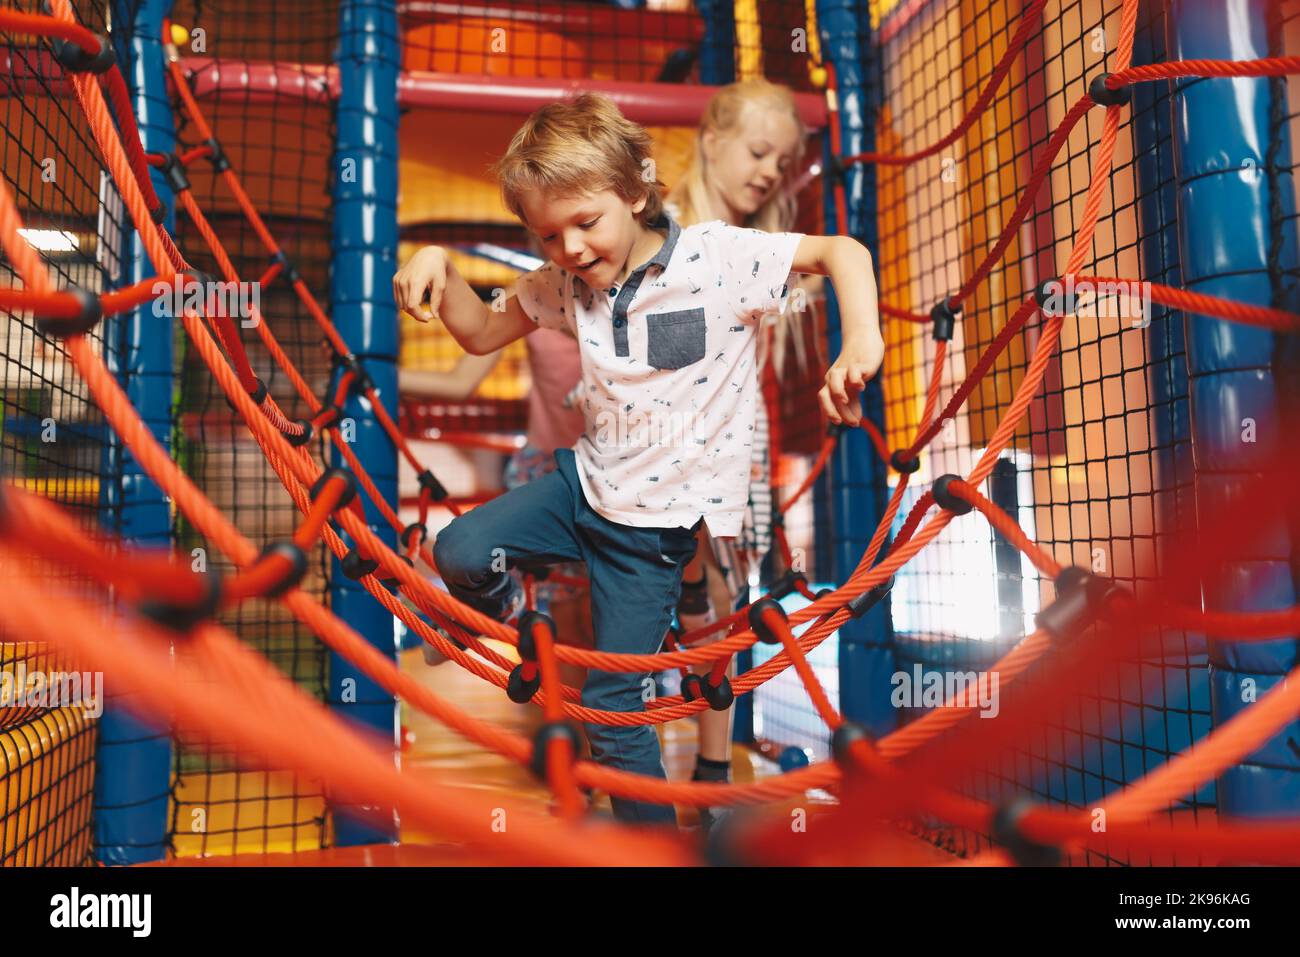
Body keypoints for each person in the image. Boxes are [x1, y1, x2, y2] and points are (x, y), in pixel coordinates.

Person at [392, 92, 883, 828]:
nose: (570, 250)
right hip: (582, 486)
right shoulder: (565, 282)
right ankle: (505, 608)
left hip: (652, 536)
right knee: (458, 548)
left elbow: (840, 251)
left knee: (613, 707)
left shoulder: (718, 257)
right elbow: (483, 333)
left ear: (634, 190)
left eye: (585, 223)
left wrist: (862, 340)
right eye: (549, 236)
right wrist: (436, 264)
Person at [664, 78, 816, 827]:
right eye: (758, 152)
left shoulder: (766, 248)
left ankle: (714, 761)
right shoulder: (662, 229)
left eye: (781, 164)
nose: (768, 172)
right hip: (661, 431)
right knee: (647, 590)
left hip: (732, 439)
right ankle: (612, 747)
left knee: (725, 600)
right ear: (713, 141)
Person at [399, 325, 594, 686]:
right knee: (562, 618)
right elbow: (459, 382)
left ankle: (487, 610)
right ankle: (490, 607)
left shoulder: (624, 294)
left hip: (606, 469)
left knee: (592, 614)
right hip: (546, 468)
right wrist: (367, 366)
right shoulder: (533, 295)